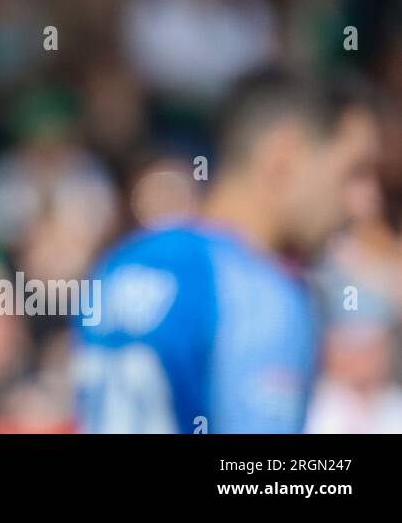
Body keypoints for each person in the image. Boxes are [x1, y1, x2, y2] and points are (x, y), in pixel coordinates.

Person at [74, 69, 381, 433]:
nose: (366, 203)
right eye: (352, 173)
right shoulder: (259, 295)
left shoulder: (120, 264)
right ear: (284, 156)